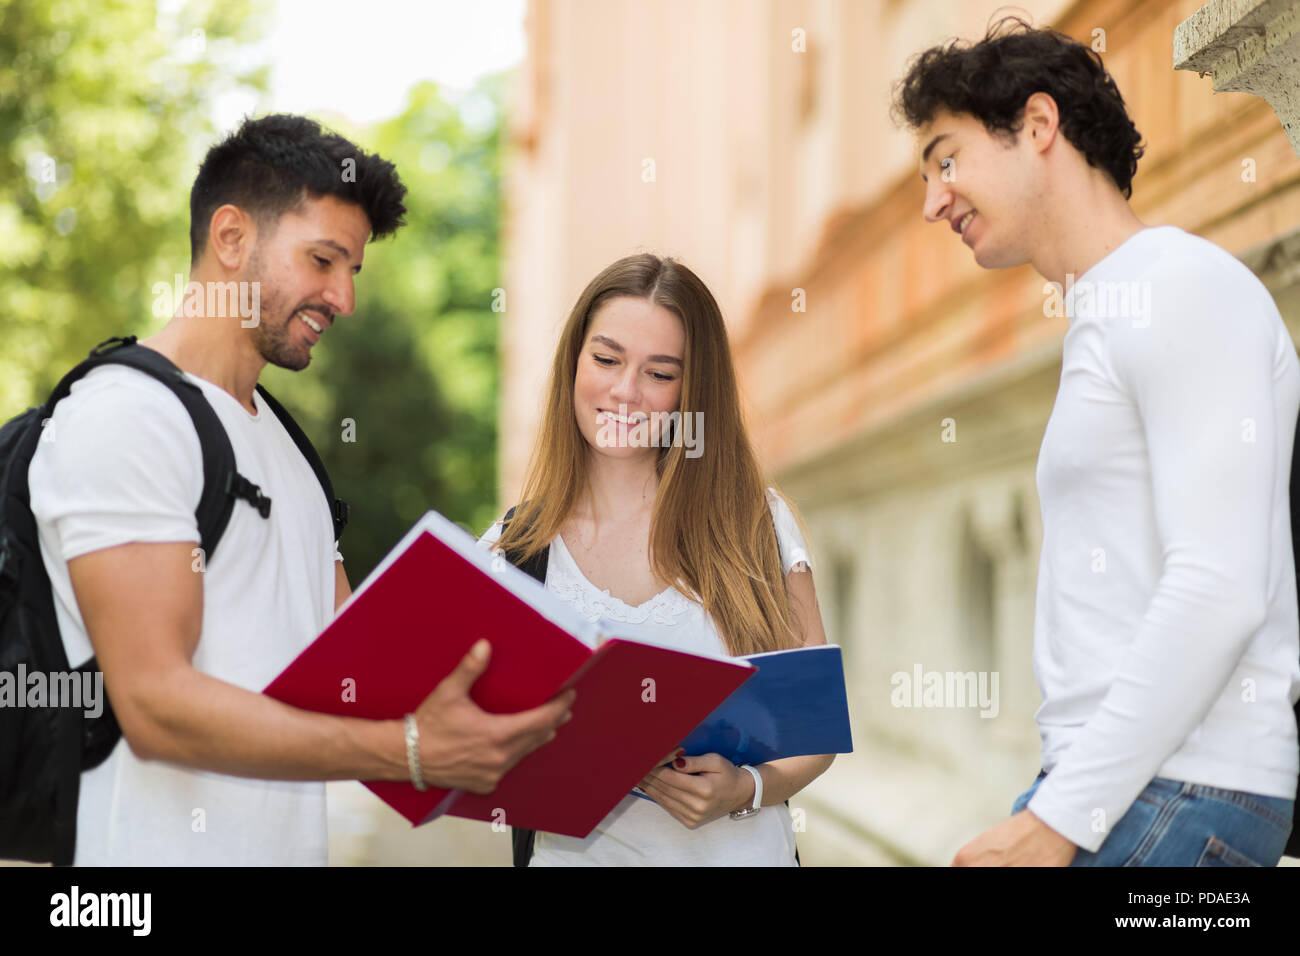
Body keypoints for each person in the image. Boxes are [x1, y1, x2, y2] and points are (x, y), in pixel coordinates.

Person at [28, 113, 573, 865]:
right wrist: (409, 752)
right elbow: (154, 705)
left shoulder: (287, 449)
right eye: (322, 260)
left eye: (352, 270)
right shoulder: (128, 417)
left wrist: (553, 695)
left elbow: (362, 668)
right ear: (230, 238)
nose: (343, 298)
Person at [894, 17, 1300, 866]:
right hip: (1128, 793)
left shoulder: (1179, 287)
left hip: (1181, 794)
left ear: (1039, 126)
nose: (933, 201)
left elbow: (1220, 586)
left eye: (945, 158)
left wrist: (1055, 821)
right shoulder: (1113, 311)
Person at [482, 253, 835, 865]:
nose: (625, 392)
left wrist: (744, 790)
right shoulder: (513, 551)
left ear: (692, 391)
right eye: (607, 359)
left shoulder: (754, 523)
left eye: (660, 373)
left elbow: (815, 729)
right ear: (574, 363)